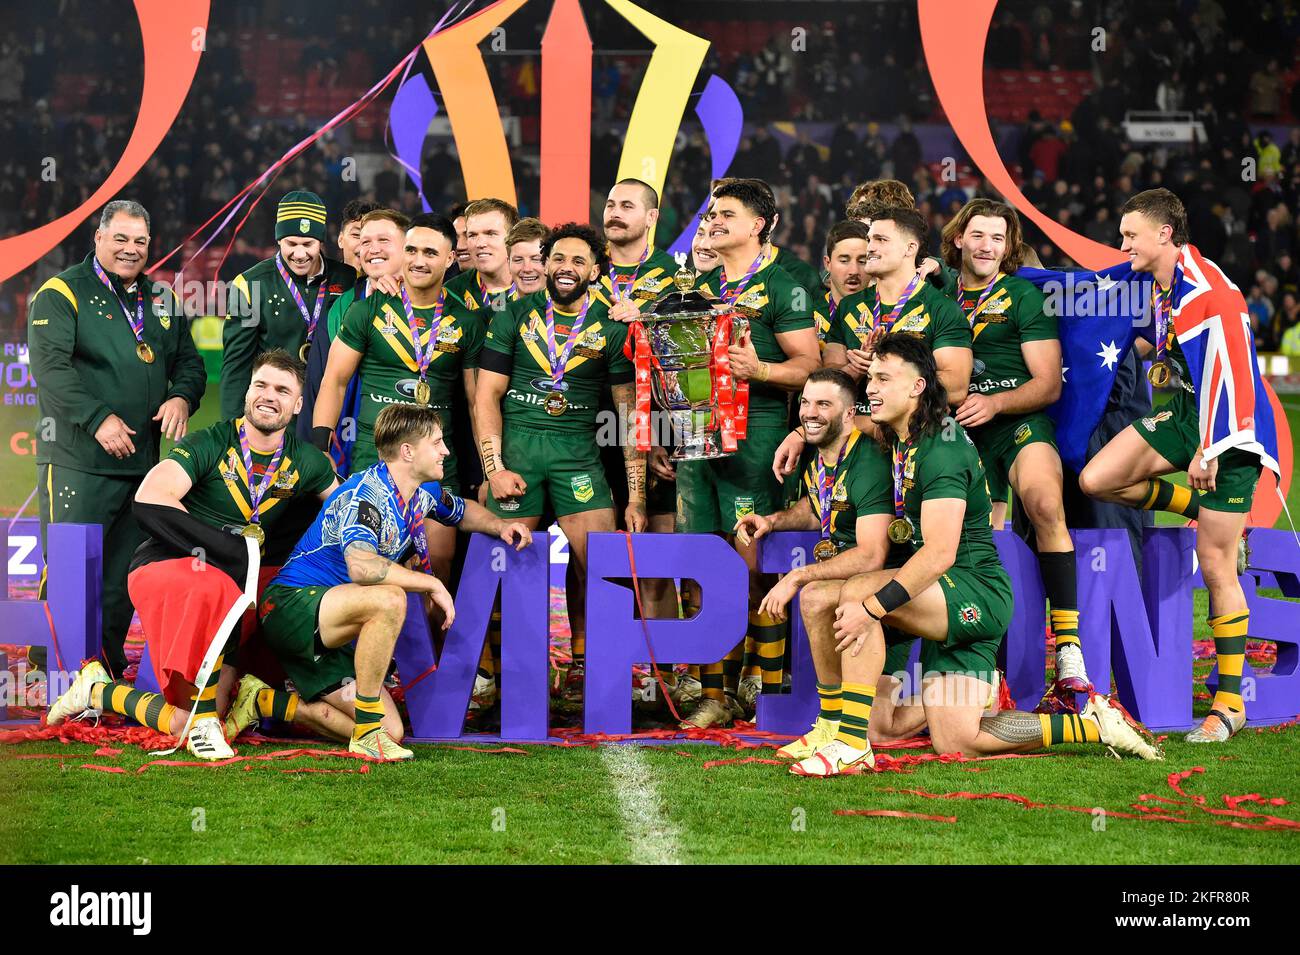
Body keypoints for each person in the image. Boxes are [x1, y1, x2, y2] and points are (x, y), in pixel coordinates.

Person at [791, 334, 1162, 775]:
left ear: (916, 388)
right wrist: (798, 434)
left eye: (883, 378)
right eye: (870, 377)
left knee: (854, 592)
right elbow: (843, 421)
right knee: (958, 740)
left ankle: (847, 743)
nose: (870, 387)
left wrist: (870, 608)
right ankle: (1091, 725)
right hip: (937, 594)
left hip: (972, 589)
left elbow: (941, 554)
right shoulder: (901, 431)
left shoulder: (941, 449)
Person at [47, 351, 346, 759]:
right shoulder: (210, 441)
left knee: (188, 722)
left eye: (282, 390)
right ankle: (214, 708)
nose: (268, 396)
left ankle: (99, 691)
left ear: (297, 404)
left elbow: (349, 509)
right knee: (212, 584)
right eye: (260, 385)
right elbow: (151, 495)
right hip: (168, 566)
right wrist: (230, 549)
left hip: (232, 588)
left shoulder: (307, 461)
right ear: (246, 392)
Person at [1079, 189, 1272, 743]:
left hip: (1230, 432)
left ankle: (1229, 705)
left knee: (1214, 565)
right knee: (1098, 479)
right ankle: (1210, 515)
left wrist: (1210, 448)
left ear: (1164, 234)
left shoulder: (1213, 293)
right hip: (1184, 413)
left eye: (1131, 235)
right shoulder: (1163, 282)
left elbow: (1237, 377)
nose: (1124, 245)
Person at [261, 403, 531, 759]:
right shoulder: (366, 497)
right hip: (292, 608)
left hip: (334, 629)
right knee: (390, 598)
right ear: (408, 451)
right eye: (436, 443)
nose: (446, 451)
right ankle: (368, 731)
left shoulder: (421, 493)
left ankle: (267, 702)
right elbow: (361, 568)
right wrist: (432, 584)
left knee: (395, 731)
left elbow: (462, 511)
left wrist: (500, 526)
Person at [28, 199, 207, 678]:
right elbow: (50, 370)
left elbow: (189, 362)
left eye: (141, 241)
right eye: (121, 238)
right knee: (71, 572)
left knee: (118, 579)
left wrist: (182, 399)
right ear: (99, 238)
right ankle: (57, 669)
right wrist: (97, 418)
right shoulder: (61, 292)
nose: (131, 249)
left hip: (142, 469)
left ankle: (101, 668)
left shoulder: (162, 299)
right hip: (77, 461)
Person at [476, 223, 646, 703]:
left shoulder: (613, 326)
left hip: (579, 458)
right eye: (558, 258)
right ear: (544, 262)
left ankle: (593, 674)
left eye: (578, 261)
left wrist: (636, 495)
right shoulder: (512, 314)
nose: (566, 269)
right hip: (520, 456)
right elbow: (486, 396)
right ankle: (503, 680)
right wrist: (493, 468)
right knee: (500, 566)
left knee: (602, 567)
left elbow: (628, 411)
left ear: (596, 269)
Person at [676, 179, 820, 727]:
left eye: (726, 213)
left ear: (758, 225)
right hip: (694, 433)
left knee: (750, 560)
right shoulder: (696, 285)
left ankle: (766, 682)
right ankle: (716, 692)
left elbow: (809, 365)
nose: (712, 220)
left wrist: (757, 369)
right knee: (700, 561)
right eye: (711, 212)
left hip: (755, 431)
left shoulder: (786, 286)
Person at [941, 198, 1091, 705]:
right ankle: (980, 660)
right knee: (968, 536)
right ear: (959, 238)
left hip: (1017, 421)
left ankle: (1069, 651)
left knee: (1046, 504)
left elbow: (1048, 384)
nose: (987, 246)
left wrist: (996, 401)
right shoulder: (934, 293)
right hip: (956, 431)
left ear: (1009, 248)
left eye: (998, 238)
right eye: (978, 235)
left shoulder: (1023, 297)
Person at [733, 369, 901, 758]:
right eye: (806, 402)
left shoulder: (868, 462)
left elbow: (873, 554)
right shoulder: (822, 456)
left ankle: (852, 740)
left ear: (848, 414)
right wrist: (771, 521)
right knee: (813, 599)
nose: (810, 413)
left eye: (823, 404)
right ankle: (830, 725)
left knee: (820, 594)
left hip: (891, 589)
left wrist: (797, 575)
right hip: (856, 589)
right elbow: (815, 509)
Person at [314, 213, 481, 589]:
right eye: (411, 250)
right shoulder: (369, 309)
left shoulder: (467, 321)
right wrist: (319, 445)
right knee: (369, 564)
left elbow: (476, 402)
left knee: (438, 563)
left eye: (430, 252)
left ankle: (435, 650)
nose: (419, 260)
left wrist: (488, 468)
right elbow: (334, 381)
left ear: (450, 259)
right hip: (376, 457)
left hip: (437, 462)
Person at [221, 191, 356, 435]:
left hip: (334, 413)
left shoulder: (347, 279)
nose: (300, 254)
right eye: (291, 244)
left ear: (321, 241)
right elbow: (236, 366)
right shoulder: (249, 284)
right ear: (278, 240)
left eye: (308, 244)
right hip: (276, 415)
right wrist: (231, 432)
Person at [444, 197, 520, 314]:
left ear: (513, 238)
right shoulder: (451, 293)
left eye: (491, 234)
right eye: (473, 235)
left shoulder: (537, 286)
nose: (480, 244)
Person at [821, 219, 871, 347]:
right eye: (844, 261)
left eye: (862, 261)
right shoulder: (808, 315)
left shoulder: (886, 312)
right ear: (828, 264)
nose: (853, 271)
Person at [506, 217, 549, 295]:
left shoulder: (569, 306)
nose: (527, 269)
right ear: (508, 264)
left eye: (536, 259)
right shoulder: (498, 305)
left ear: (550, 262)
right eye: (518, 260)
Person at [336, 198, 383, 272]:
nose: (364, 243)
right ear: (340, 240)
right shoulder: (323, 282)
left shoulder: (397, 282)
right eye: (357, 235)